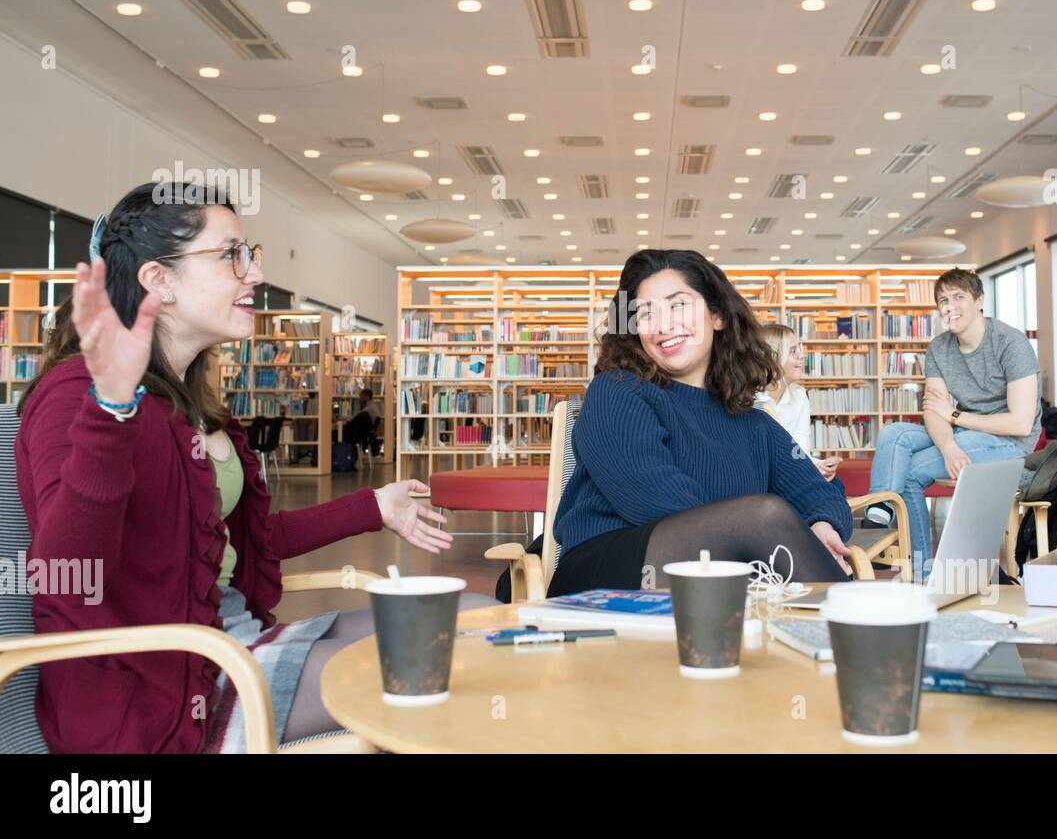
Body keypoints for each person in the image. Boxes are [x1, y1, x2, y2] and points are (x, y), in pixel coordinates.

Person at [15, 182, 458, 753]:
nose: (252, 275)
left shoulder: (188, 400)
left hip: (227, 641)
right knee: (441, 663)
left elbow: (237, 541)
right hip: (166, 690)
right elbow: (67, 571)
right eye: (230, 255)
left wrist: (373, 505)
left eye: (250, 255)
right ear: (159, 281)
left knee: (468, 621)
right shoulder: (80, 393)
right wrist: (113, 409)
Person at [548, 249, 855, 596]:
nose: (663, 325)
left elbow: (820, 490)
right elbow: (653, 499)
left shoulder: (754, 422)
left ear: (718, 316)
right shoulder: (618, 391)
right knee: (762, 518)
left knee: (767, 529)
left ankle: (843, 634)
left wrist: (823, 524)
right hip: (612, 571)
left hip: (722, 574)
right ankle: (857, 632)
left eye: (678, 305)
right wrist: (751, 536)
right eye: (646, 313)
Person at [864, 268, 1041, 575]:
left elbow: (1021, 424)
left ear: (980, 301)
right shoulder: (939, 348)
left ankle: (919, 570)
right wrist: (947, 445)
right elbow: (934, 409)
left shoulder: (1011, 344)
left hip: (1008, 443)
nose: (950, 306)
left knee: (909, 474)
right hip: (965, 433)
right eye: (943, 299)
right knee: (894, 433)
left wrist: (955, 416)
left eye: (959, 297)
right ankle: (880, 512)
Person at [755, 323, 842, 483]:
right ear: (772, 357)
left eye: (800, 349)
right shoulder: (751, 399)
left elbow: (800, 450)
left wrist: (819, 465)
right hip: (761, 475)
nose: (802, 356)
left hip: (790, 473)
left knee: (834, 483)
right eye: (793, 351)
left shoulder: (800, 396)